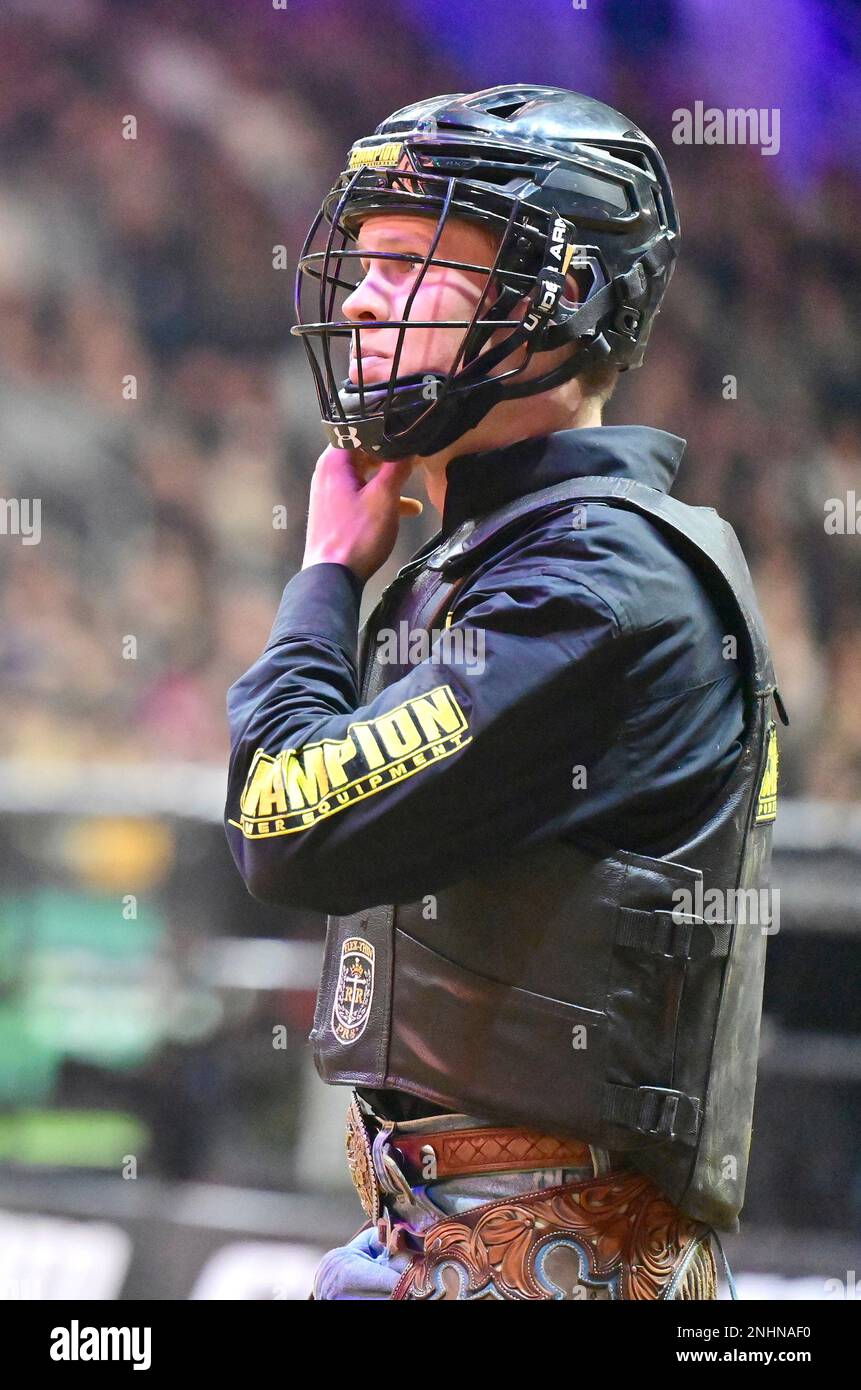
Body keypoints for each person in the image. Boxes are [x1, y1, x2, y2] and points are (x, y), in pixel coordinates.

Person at [224, 84, 788, 1300]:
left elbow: (286, 824)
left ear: (555, 295)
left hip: (544, 1272)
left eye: (412, 260)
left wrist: (326, 575)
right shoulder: (511, 556)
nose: (363, 295)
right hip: (440, 1242)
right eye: (362, 262)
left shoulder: (596, 580)